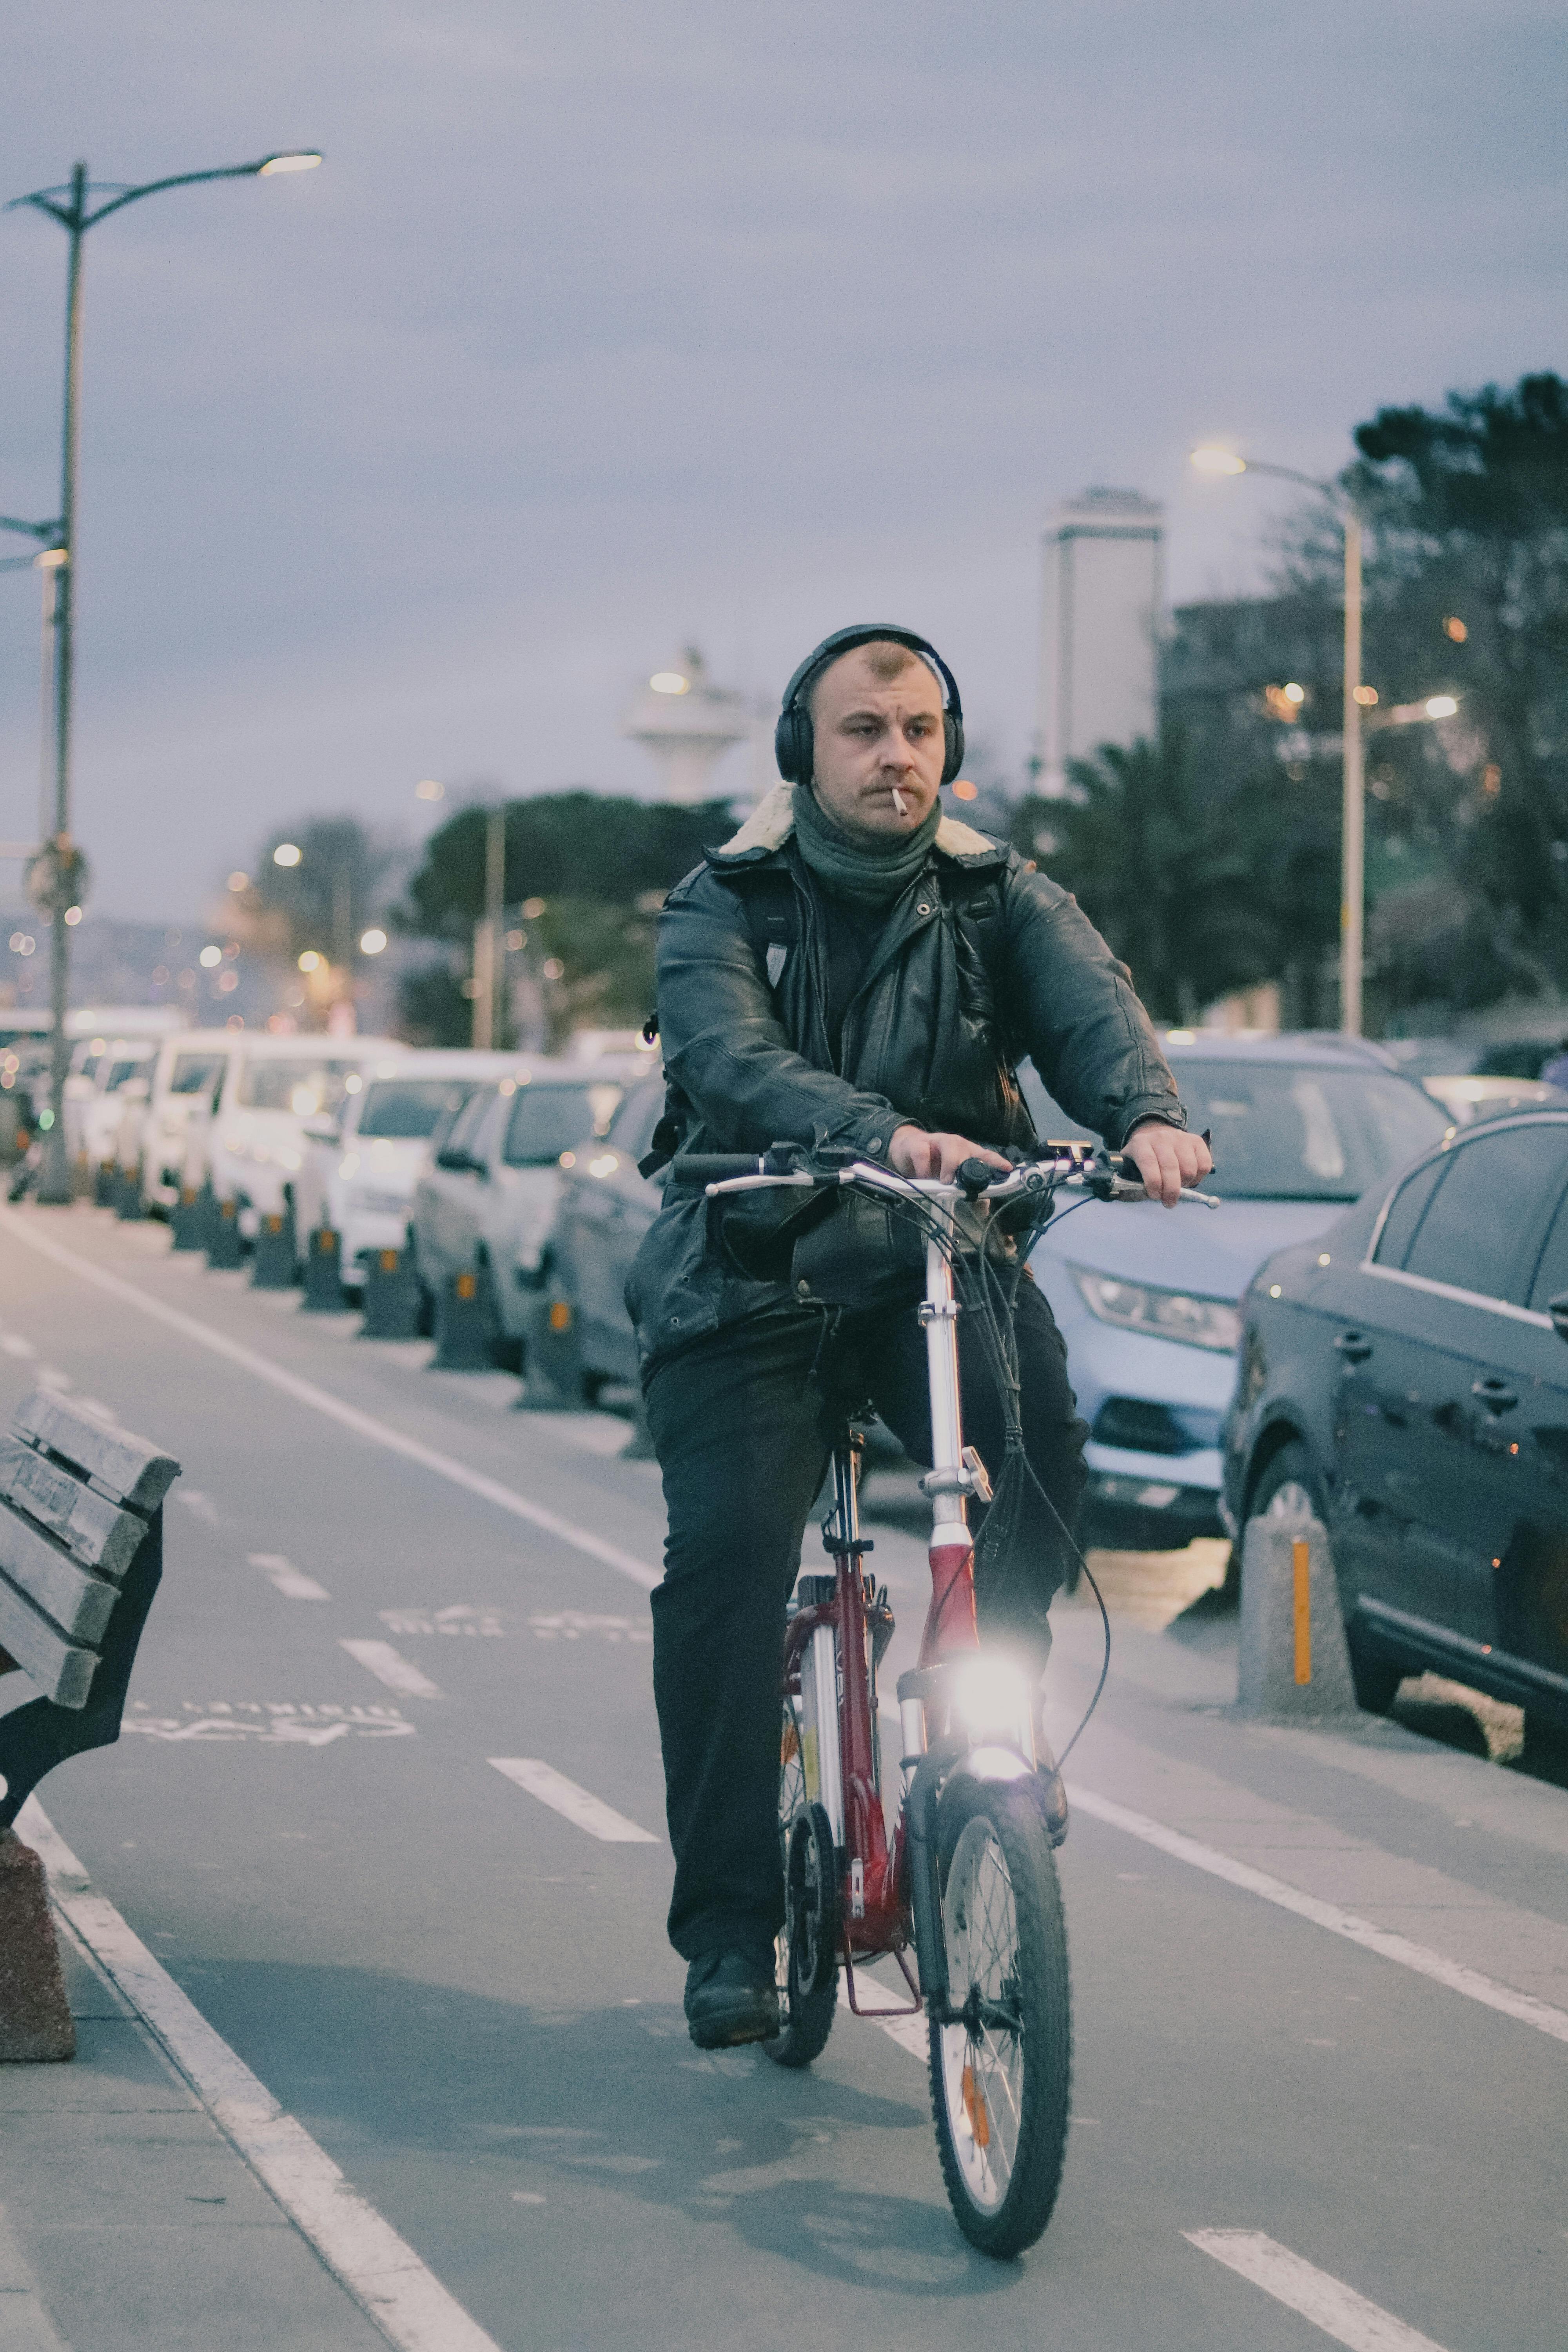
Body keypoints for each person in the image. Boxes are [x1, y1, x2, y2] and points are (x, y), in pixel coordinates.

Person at [628, 624, 1212, 2050]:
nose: (899, 756)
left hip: (933, 1265)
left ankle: (984, 1710)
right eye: (864, 731)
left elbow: (1091, 1008)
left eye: (922, 730)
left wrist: (1143, 1114)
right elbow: (726, 1057)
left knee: (1046, 1446)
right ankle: (727, 1930)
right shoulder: (723, 901)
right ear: (801, 750)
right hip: (749, 1272)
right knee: (727, 1563)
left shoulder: (998, 890)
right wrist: (877, 1131)